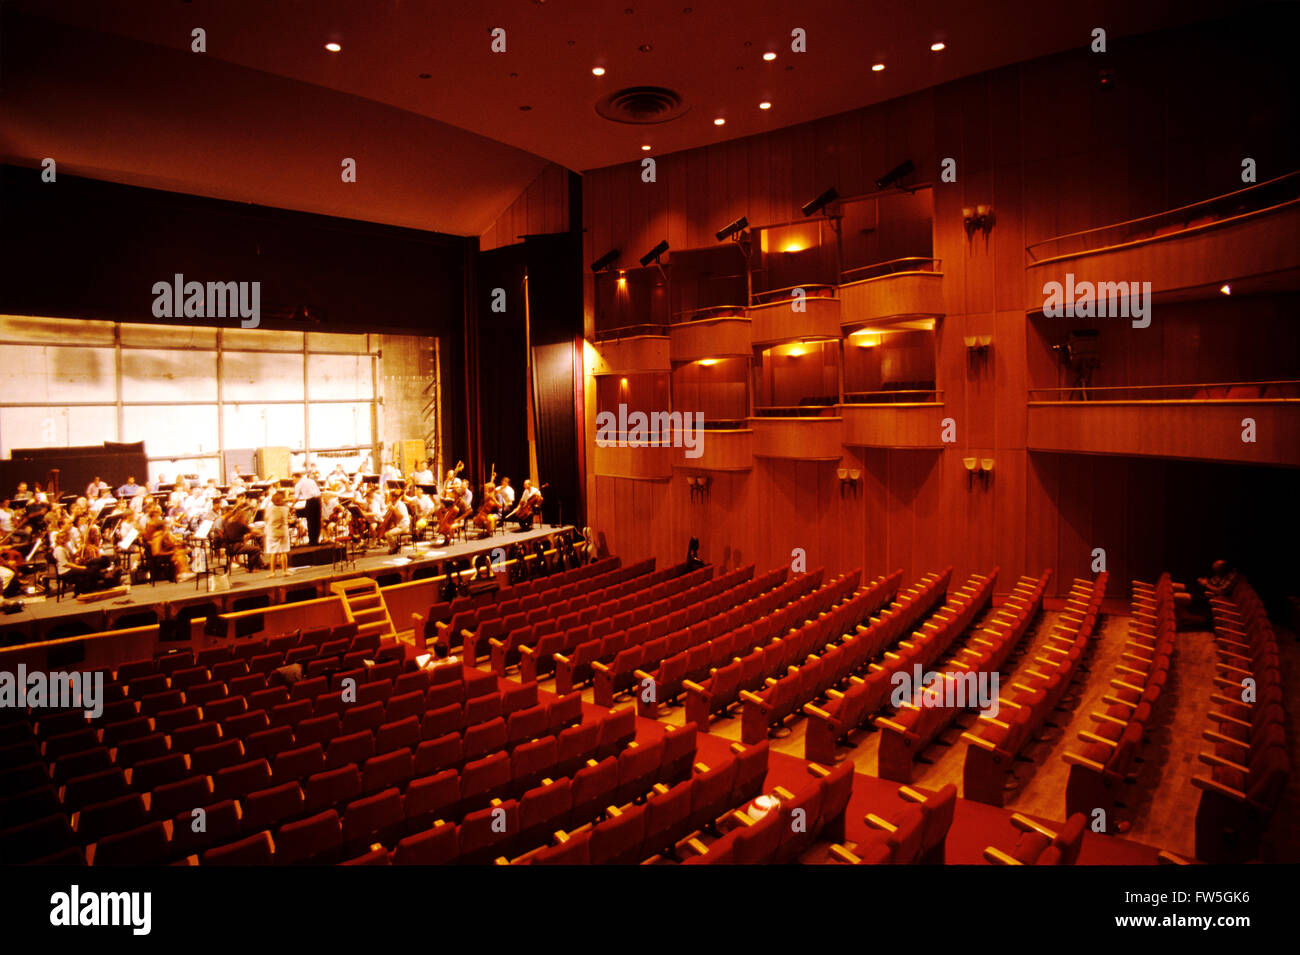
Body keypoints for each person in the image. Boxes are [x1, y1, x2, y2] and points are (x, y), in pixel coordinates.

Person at [264, 490, 292, 576]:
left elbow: (266, 518)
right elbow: (289, 518)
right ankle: (284, 571)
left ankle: (272, 572)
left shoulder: (269, 509)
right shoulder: (286, 508)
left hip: (272, 531)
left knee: (273, 553)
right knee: (283, 552)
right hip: (283, 531)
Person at [294, 471, 323, 546]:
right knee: (317, 520)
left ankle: (312, 541)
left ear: (296, 477)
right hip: (318, 500)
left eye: (293, 479)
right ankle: (316, 540)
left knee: (311, 521)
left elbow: (295, 497)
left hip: (310, 501)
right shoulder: (311, 480)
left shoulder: (299, 484)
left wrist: (291, 506)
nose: (293, 481)